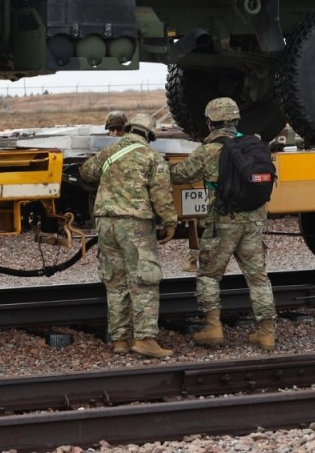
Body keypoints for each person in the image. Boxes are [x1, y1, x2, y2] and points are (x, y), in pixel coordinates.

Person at [169, 97, 277, 352]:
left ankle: (213, 328)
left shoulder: (207, 151)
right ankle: (266, 334)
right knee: (259, 279)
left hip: (223, 223)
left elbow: (178, 175)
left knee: (209, 275)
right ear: (236, 120)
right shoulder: (253, 144)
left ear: (210, 124)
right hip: (253, 220)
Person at [78, 113, 178, 358]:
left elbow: (86, 172)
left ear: (129, 129)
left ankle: (120, 339)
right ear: (149, 135)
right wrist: (169, 221)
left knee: (116, 282)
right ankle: (144, 339)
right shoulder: (152, 158)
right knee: (144, 279)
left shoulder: (109, 152)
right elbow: (161, 196)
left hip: (105, 223)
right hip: (135, 225)